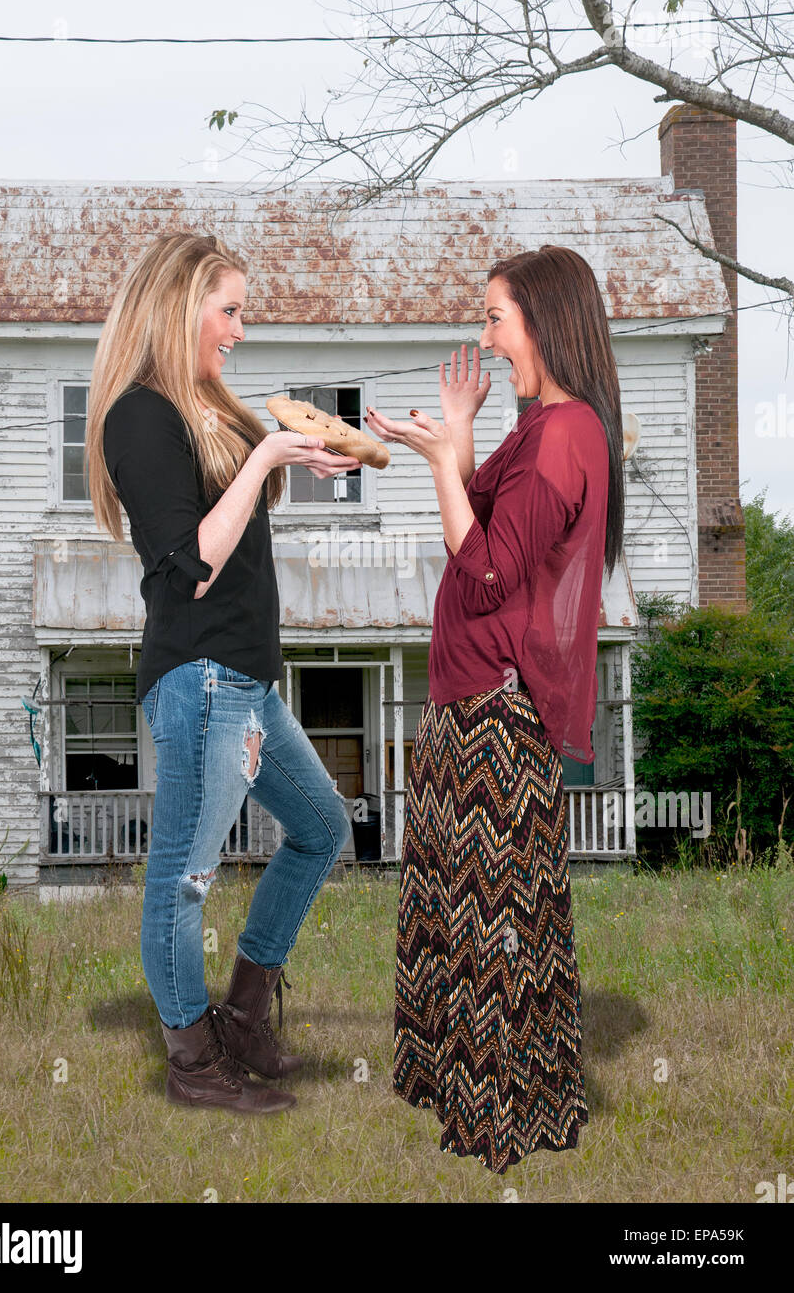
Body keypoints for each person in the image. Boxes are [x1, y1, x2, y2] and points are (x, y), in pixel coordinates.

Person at [86, 232, 360, 1115]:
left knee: (320, 827)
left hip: (245, 679)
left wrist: (297, 454)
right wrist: (268, 459)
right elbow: (191, 564)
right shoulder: (140, 416)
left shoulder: (204, 402)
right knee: (183, 877)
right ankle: (192, 1061)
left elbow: (242, 504)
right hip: (200, 679)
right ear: (179, 306)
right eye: (229, 309)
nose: (239, 329)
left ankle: (242, 1016)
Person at [365, 244, 624, 1173]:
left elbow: (482, 570)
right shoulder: (537, 427)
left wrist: (442, 459)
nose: (484, 335)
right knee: (465, 915)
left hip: (494, 717)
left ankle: (498, 1117)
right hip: (464, 702)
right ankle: (490, 1098)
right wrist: (457, 439)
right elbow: (482, 528)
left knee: (492, 927)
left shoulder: (564, 435)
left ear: (544, 322)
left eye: (494, 318)